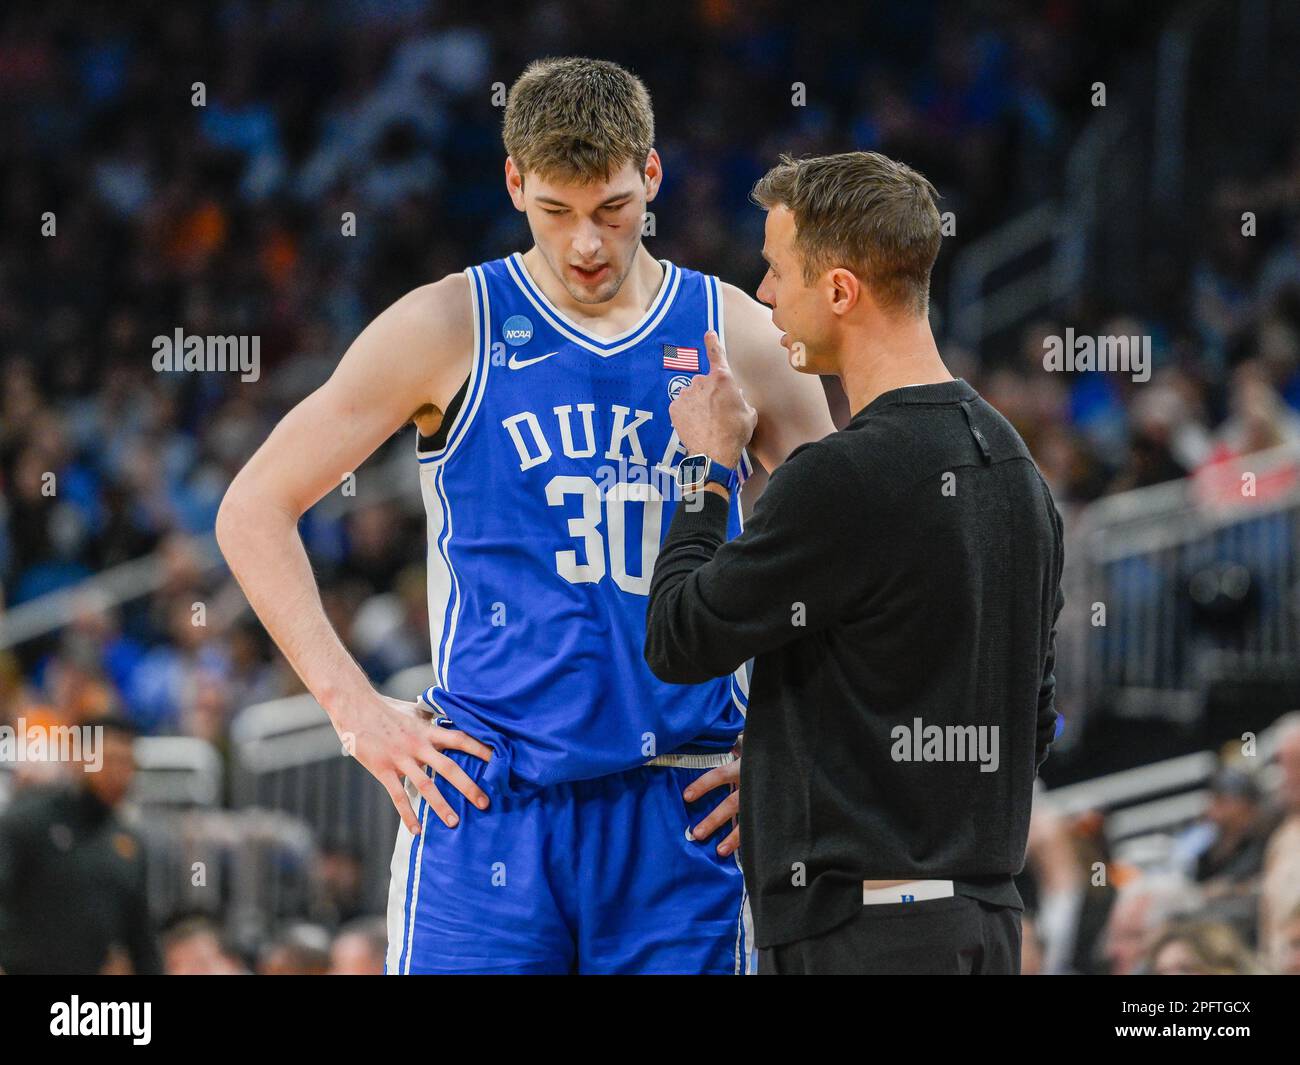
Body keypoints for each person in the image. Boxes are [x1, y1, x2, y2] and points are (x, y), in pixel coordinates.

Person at [217, 57, 833, 974]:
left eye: (612, 210)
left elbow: (840, 551)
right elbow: (254, 507)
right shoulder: (447, 325)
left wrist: (798, 740)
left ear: (652, 177)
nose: (587, 242)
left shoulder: (736, 331)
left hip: (680, 805)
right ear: (514, 184)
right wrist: (358, 713)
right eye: (557, 212)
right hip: (488, 803)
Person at [645, 150, 1064, 974]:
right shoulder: (1020, 472)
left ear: (838, 291)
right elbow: (1032, 725)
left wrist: (706, 468)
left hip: (865, 935)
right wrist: (786, 778)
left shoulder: (843, 475)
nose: (764, 296)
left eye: (775, 272)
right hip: (983, 930)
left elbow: (679, 635)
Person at [0, 715, 161, 974]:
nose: (119, 774)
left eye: (128, 763)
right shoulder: (26, 821)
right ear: (78, 757)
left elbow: (141, 940)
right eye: (110, 760)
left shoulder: (129, 844)